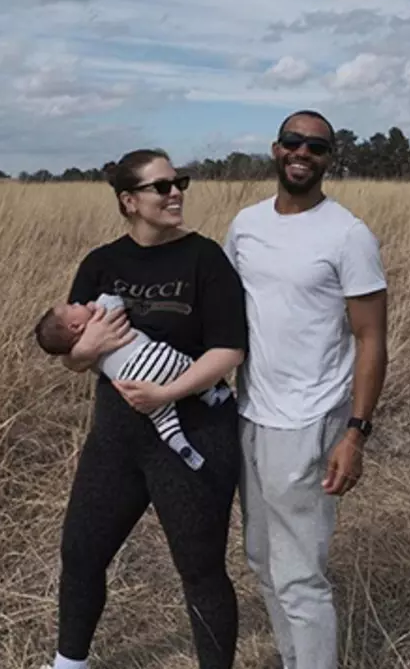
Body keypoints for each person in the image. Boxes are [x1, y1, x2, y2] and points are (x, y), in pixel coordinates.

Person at [41, 149, 248, 669]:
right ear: (129, 201)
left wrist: (168, 392)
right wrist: (84, 354)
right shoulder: (100, 264)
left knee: (200, 570)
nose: (175, 192)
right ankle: (69, 664)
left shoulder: (206, 259)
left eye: (179, 182)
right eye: (161, 186)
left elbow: (229, 350)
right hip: (116, 437)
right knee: (82, 553)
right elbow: (73, 355)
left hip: (196, 431)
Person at [223, 109, 389, 669]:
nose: (302, 153)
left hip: (311, 421)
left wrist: (355, 434)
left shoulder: (348, 234)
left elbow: (370, 338)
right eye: (293, 142)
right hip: (250, 413)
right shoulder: (245, 225)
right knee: (261, 559)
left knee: (299, 574)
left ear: (329, 159)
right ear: (275, 149)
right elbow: (225, 314)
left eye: (316, 147)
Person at [33, 293, 232, 470]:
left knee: (163, 420)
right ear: (75, 326)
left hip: (133, 385)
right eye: (73, 307)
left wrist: (81, 350)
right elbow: (114, 301)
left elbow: (78, 364)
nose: (77, 302)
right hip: (152, 357)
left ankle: (183, 448)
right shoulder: (101, 317)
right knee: (189, 367)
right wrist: (97, 303)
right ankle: (210, 395)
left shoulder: (89, 357)